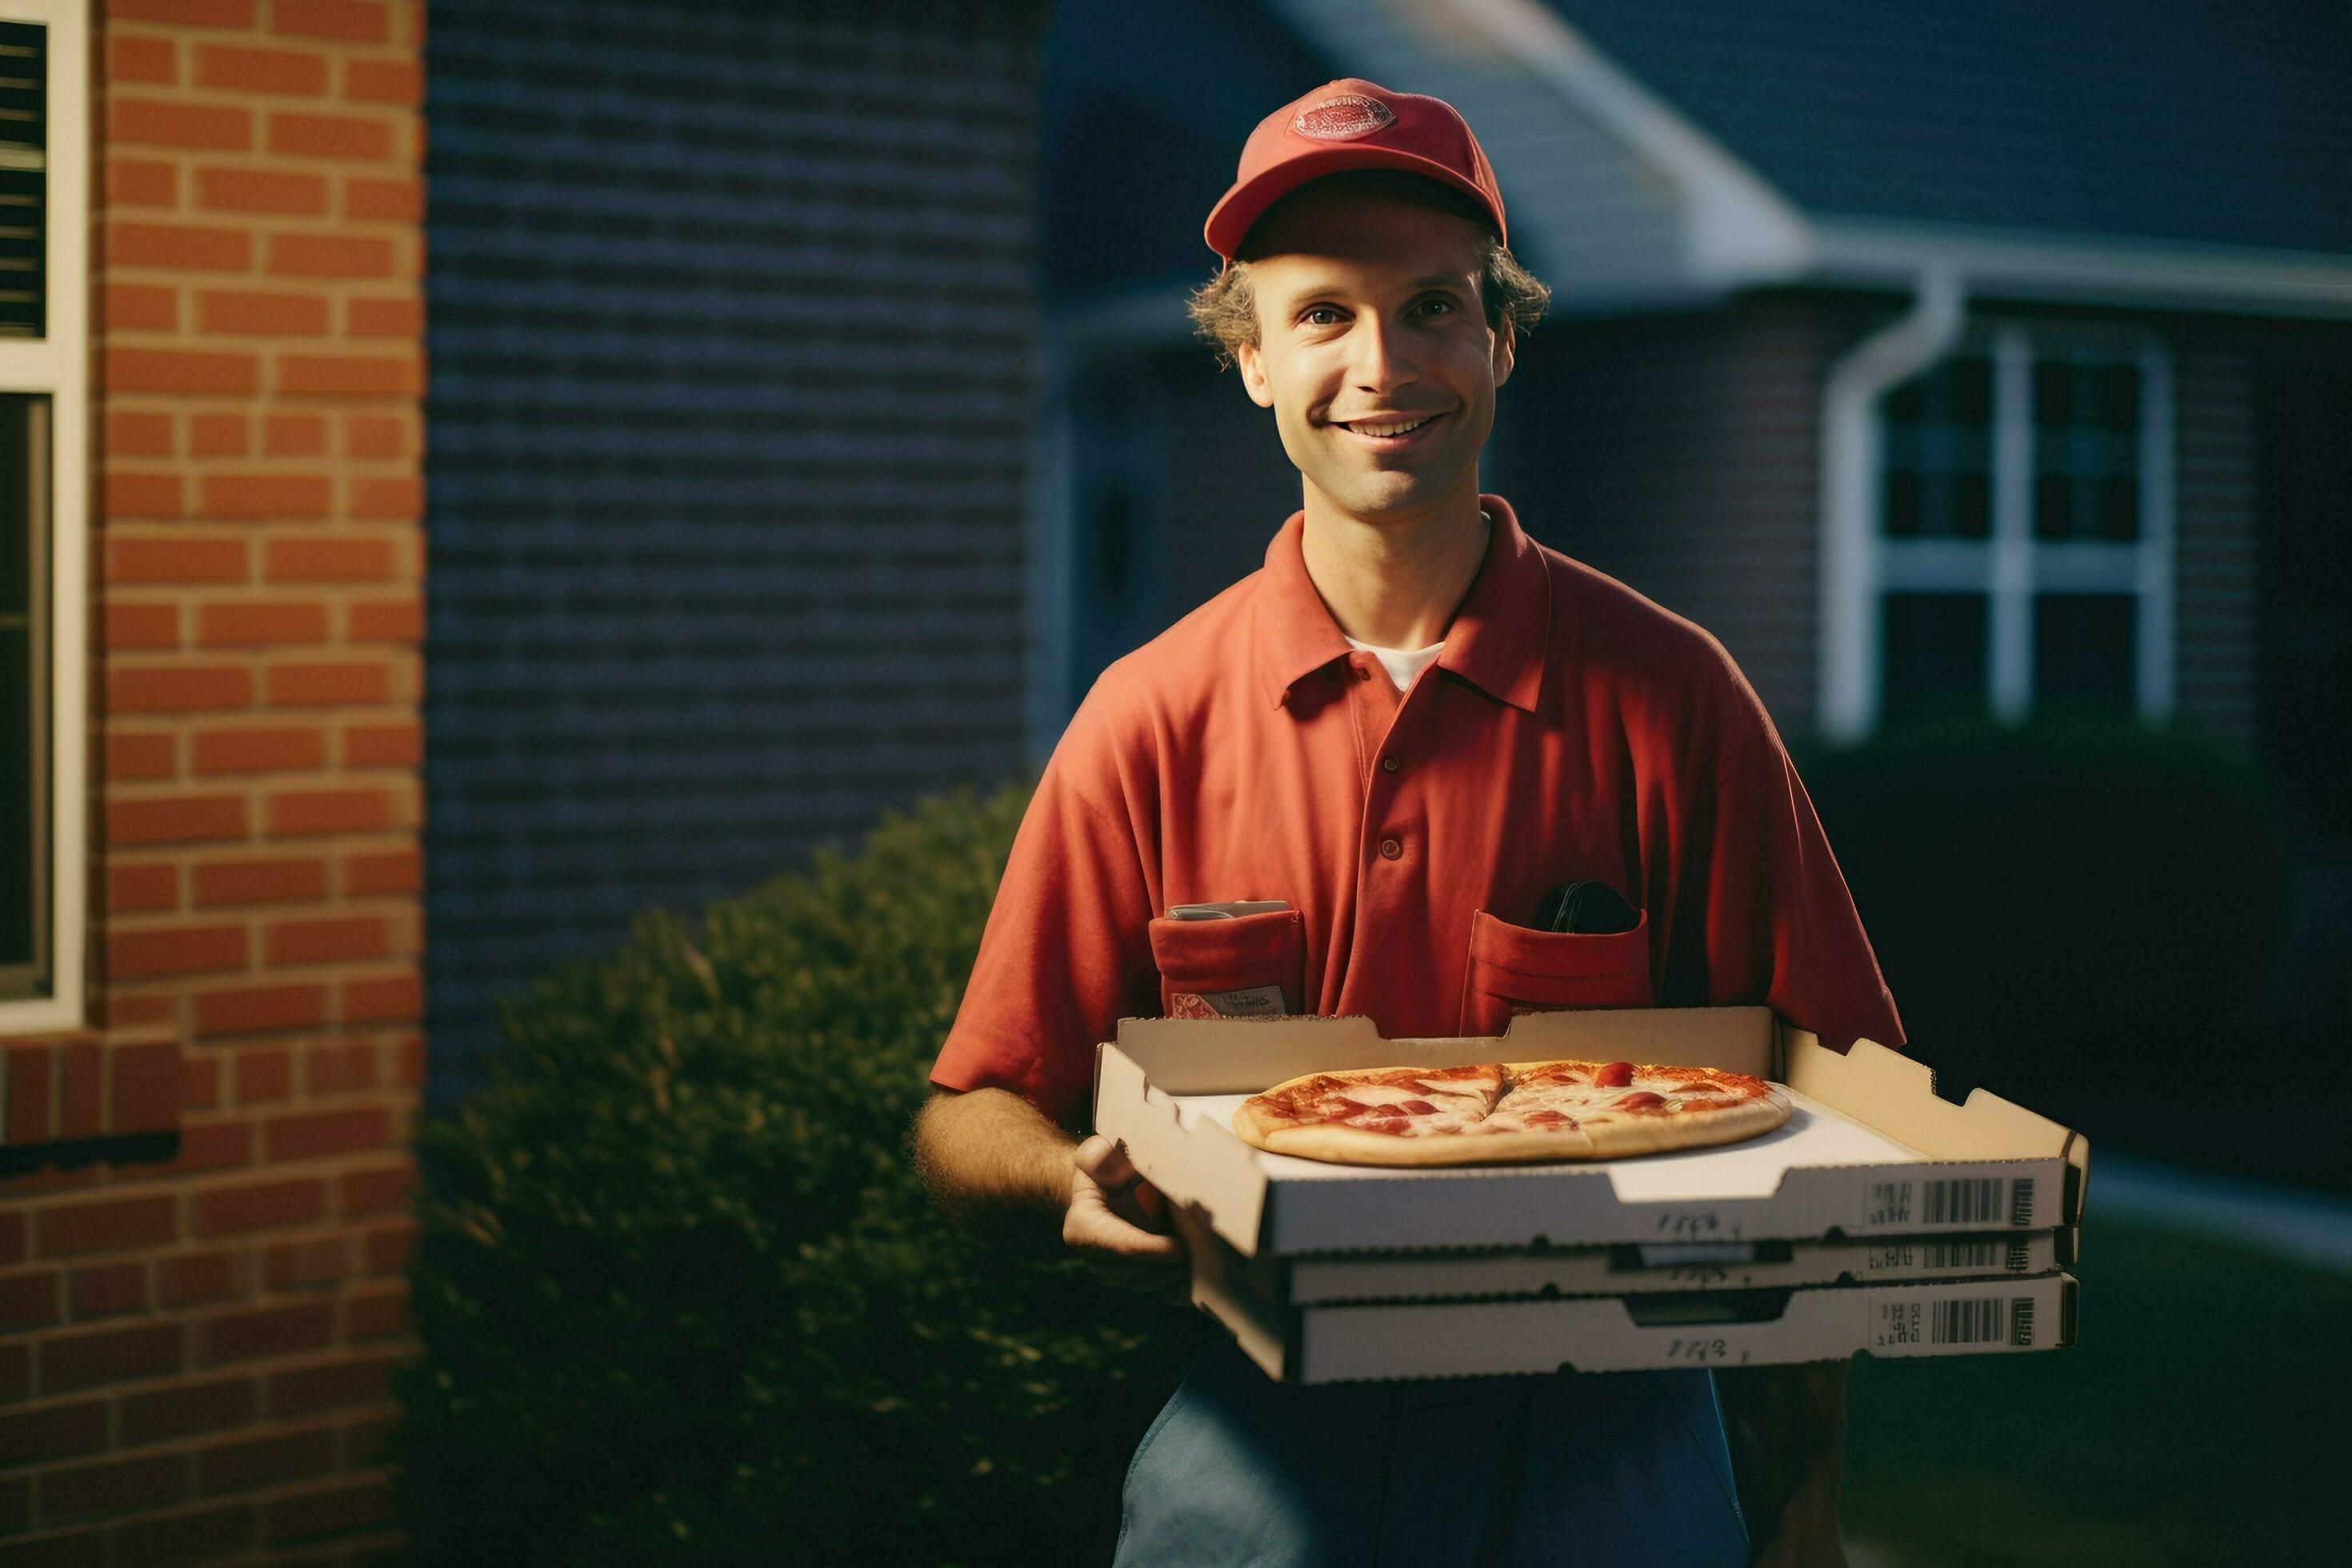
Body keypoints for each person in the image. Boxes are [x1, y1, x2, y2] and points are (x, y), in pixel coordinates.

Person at [912, 78, 1906, 1566]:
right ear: (1248, 358)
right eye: (1322, 314)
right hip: (1267, 1421)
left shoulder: (1672, 694)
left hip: (1617, 1423)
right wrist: (1064, 1182)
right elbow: (968, 1112)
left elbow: (1844, 1101)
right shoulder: (1148, 715)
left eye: (1433, 306)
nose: (1383, 363)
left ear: (1500, 340)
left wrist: (1809, 1506)